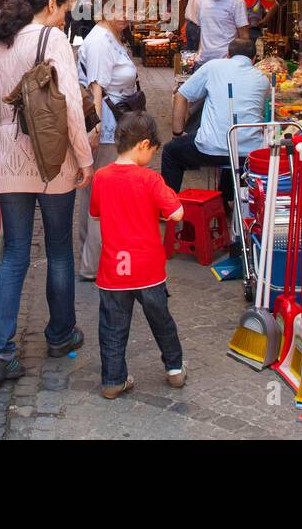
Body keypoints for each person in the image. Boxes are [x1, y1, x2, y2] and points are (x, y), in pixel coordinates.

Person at [0, 0, 94, 385]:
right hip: (53, 159)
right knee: (60, 250)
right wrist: (84, 159)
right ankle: (60, 334)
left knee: (14, 254)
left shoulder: (2, 41)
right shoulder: (52, 39)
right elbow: (70, 111)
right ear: (50, 4)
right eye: (64, 9)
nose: (65, 18)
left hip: (10, 155)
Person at [90, 112, 187, 399]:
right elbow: (176, 213)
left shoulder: (101, 177)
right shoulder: (151, 179)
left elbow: (95, 214)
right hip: (148, 269)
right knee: (161, 320)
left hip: (112, 271)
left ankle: (112, 380)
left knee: (112, 326)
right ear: (144, 145)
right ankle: (174, 369)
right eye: (153, 151)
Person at [74, 0, 140, 280]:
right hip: (109, 129)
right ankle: (93, 264)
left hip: (116, 126)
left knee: (95, 194)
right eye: (121, 7)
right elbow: (95, 87)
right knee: (106, 196)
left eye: (130, 7)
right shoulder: (101, 39)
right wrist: (96, 128)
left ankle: (91, 257)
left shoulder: (113, 36)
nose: (127, 14)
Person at [162, 38, 269, 195]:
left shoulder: (213, 66)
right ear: (254, 59)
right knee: (232, 150)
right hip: (248, 154)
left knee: (171, 152)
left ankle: (168, 207)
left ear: (228, 55)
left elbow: (181, 95)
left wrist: (177, 134)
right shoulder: (263, 79)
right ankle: (225, 199)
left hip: (211, 149)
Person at [185, 0, 250, 66]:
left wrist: (243, 63)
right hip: (202, 62)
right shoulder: (202, 1)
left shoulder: (237, 3)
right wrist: (198, 54)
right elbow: (203, 32)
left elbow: (244, 36)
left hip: (226, 63)